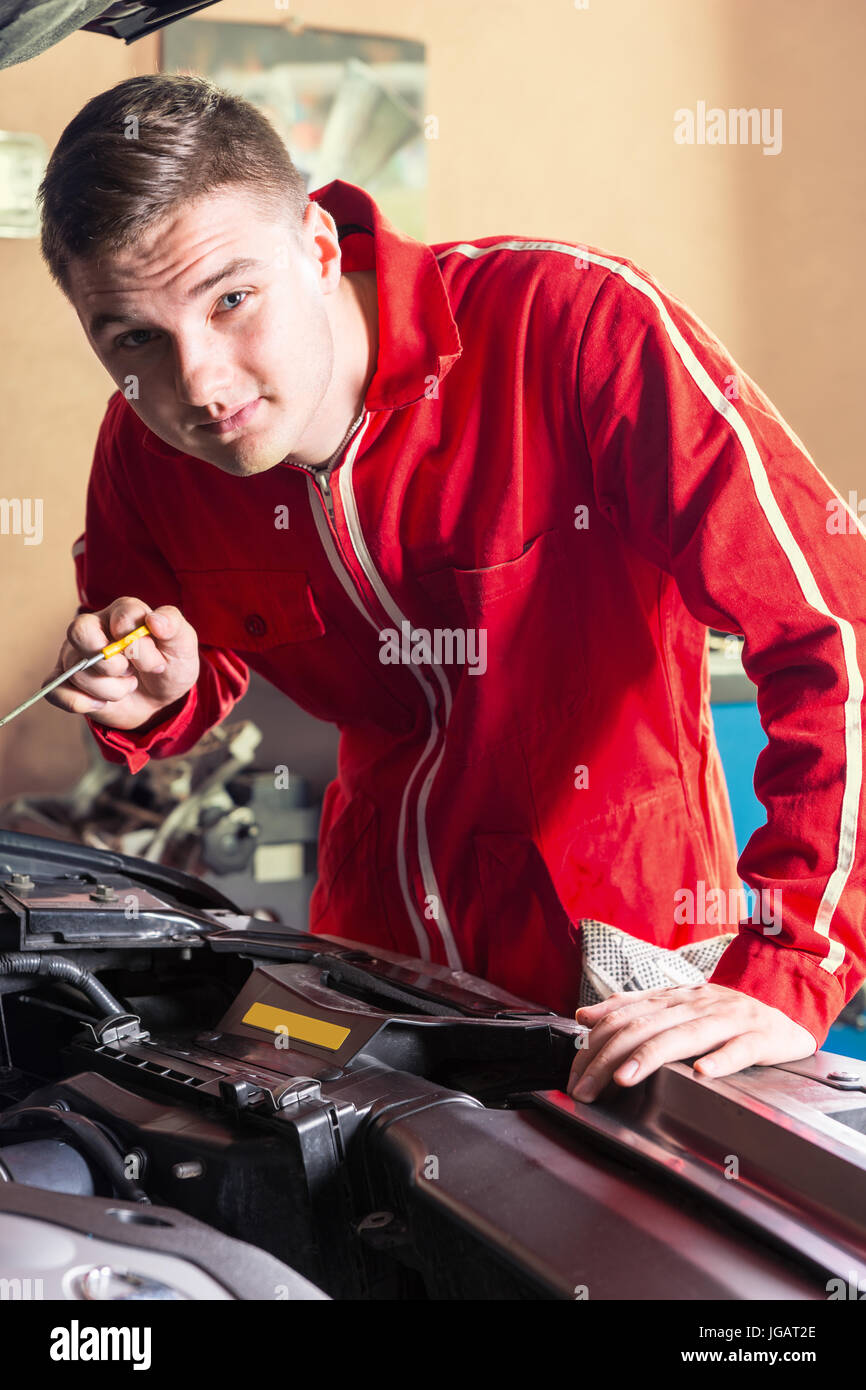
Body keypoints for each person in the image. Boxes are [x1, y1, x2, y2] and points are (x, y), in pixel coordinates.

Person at [37, 74, 866, 1103]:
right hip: (374, 960)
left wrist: (794, 959)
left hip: (626, 956)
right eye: (133, 338)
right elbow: (172, 671)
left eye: (231, 298)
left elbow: (834, 627)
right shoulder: (144, 449)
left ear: (317, 245)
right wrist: (150, 691)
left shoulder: (571, 327)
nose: (197, 383)